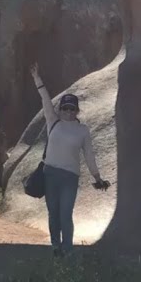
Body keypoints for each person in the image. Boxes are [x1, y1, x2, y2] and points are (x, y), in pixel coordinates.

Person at [31, 63, 109, 256]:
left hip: (70, 177)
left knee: (65, 214)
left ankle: (67, 249)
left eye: (72, 108)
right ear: (60, 109)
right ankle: (55, 246)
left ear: (77, 111)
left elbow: (89, 154)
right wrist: (37, 78)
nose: (68, 111)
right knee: (53, 214)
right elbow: (45, 99)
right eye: (65, 108)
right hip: (50, 174)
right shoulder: (53, 121)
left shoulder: (82, 130)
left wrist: (97, 177)